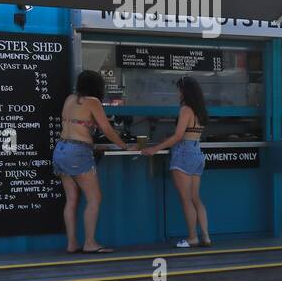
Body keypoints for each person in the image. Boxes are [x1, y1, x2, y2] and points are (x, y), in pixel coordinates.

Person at [53, 70, 134, 254]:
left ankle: (72, 243)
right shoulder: (93, 102)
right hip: (78, 152)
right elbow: (107, 129)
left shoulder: (70, 99)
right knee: (94, 198)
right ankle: (90, 243)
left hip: (61, 149)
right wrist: (124, 146)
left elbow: (75, 125)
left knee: (71, 200)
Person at [141, 76, 211, 248]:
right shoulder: (200, 111)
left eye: (180, 89)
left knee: (186, 200)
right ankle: (206, 237)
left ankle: (192, 238)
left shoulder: (185, 110)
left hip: (184, 154)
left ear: (184, 92)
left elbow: (179, 136)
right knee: (196, 198)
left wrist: (155, 148)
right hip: (197, 153)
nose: (178, 93)